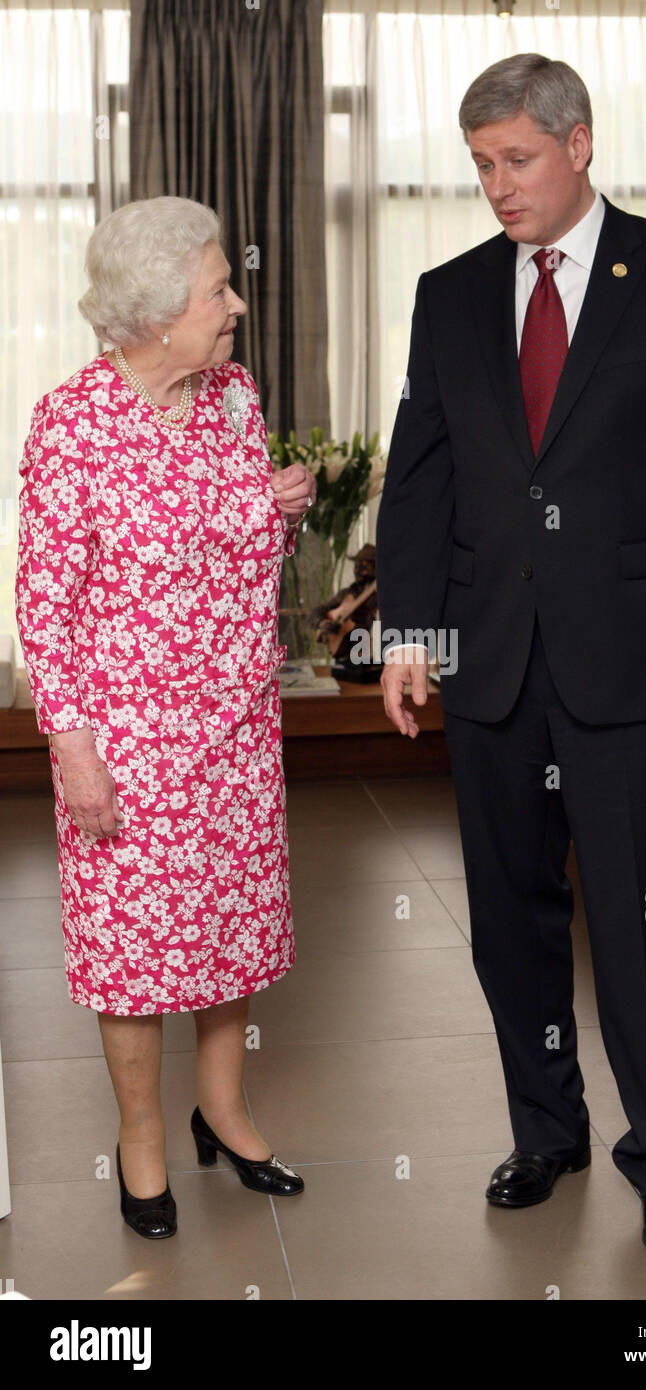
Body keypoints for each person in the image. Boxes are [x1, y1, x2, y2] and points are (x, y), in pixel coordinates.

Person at [376, 54, 646, 1256]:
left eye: (516, 161)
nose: (495, 185)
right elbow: (420, 479)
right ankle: (544, 1128)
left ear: (578, 144)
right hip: (491, 660)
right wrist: (410, 632)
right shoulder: (447, 295)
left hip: (639, 660)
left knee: (640, 917)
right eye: (480, 164)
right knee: (510, 914)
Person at [15, 196, 316, 1239]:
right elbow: (43, 604)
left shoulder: (234, 398)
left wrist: (279, 507)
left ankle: (223, 1110)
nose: (235, 305)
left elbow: (239, 559)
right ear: (151, 317)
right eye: (216, 292)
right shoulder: (72, 424)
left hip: (235, 731)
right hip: (127, 745)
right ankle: (140, 1136)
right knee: (136, 953)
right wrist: (74, 746)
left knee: (228, 931)